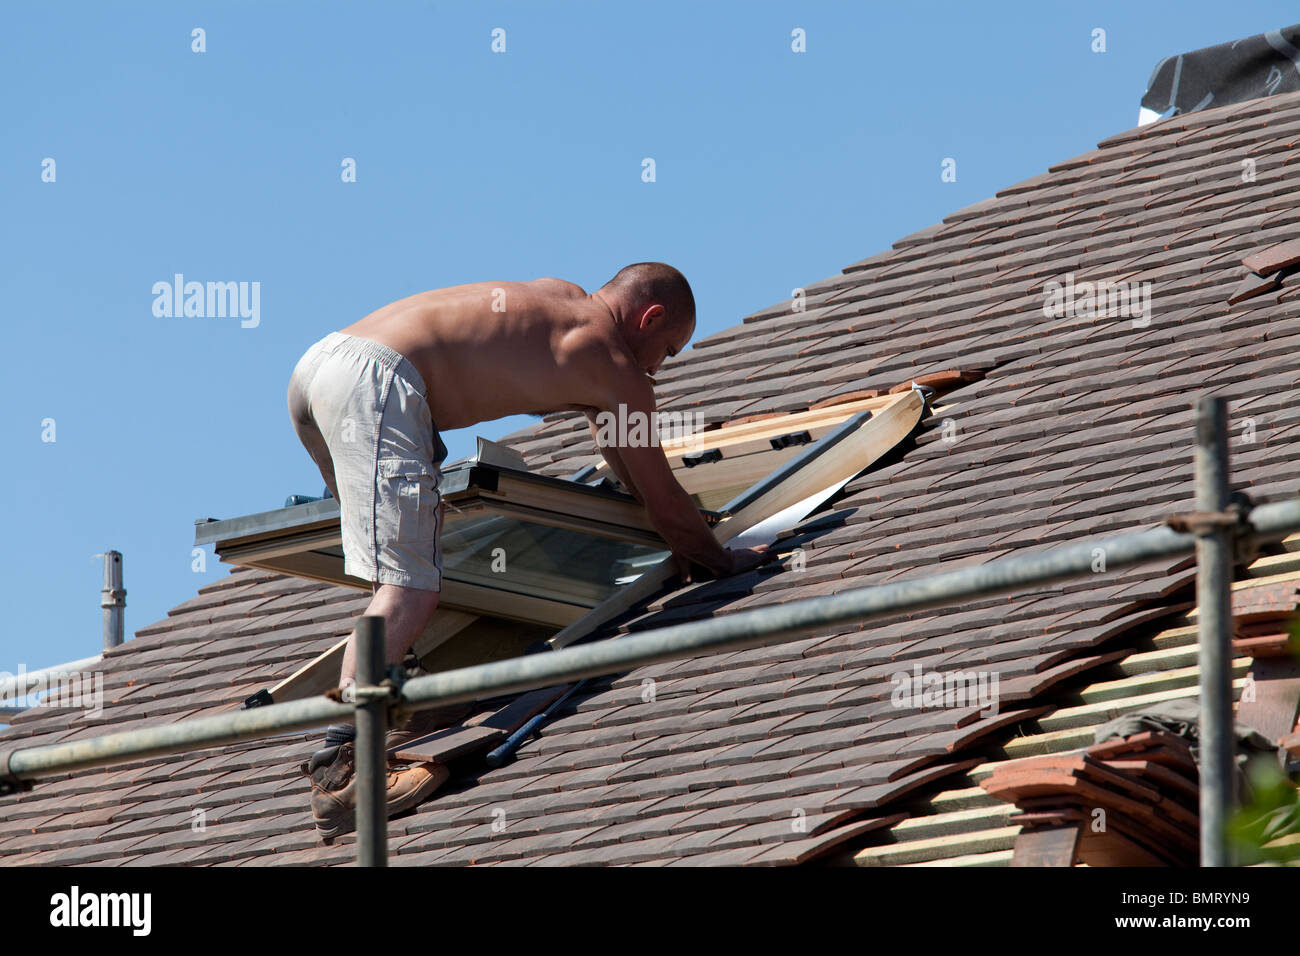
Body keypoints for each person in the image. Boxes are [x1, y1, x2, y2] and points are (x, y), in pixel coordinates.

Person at [286, 262, 769, 841]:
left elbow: (615, 447)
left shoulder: (559, 300)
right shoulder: (615, 364)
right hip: (380, 383)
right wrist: (719, 558)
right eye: (667, 350)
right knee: (410, 586)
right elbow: (662, 497)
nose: (659, 369)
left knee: (400, 558)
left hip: (321, 368)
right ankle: (341, 768)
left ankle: (404, 686)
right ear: (651, 316)